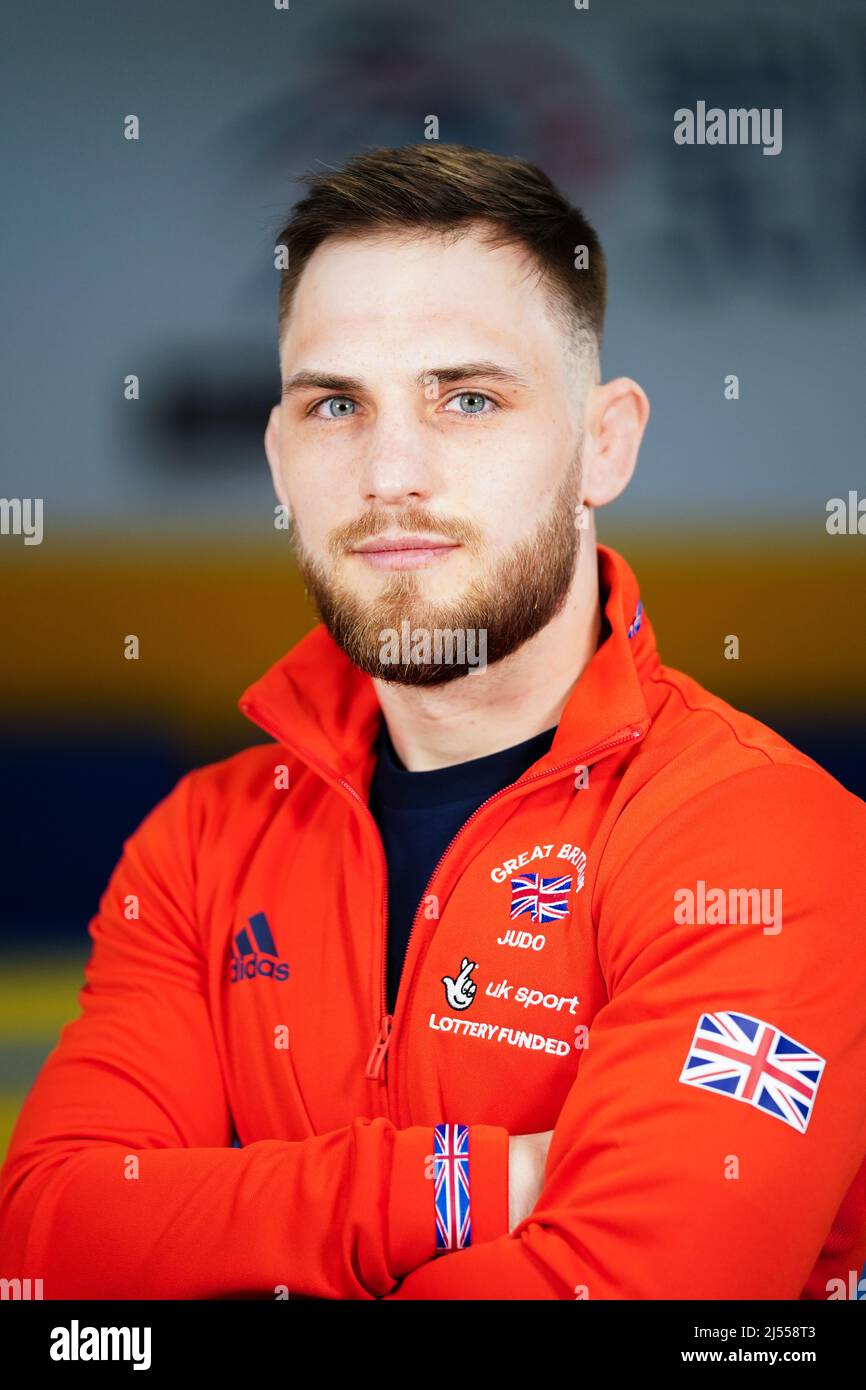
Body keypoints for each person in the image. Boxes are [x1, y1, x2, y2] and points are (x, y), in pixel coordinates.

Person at [2, 142, 865, 1301]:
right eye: (334, 405)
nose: (389, 471)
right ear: (278, 456)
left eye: (466, 398)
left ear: (600, 443)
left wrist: (221, 1233)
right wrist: (471, 1184)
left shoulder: (763, 841)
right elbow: (50, 1245)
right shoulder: (200, 843)